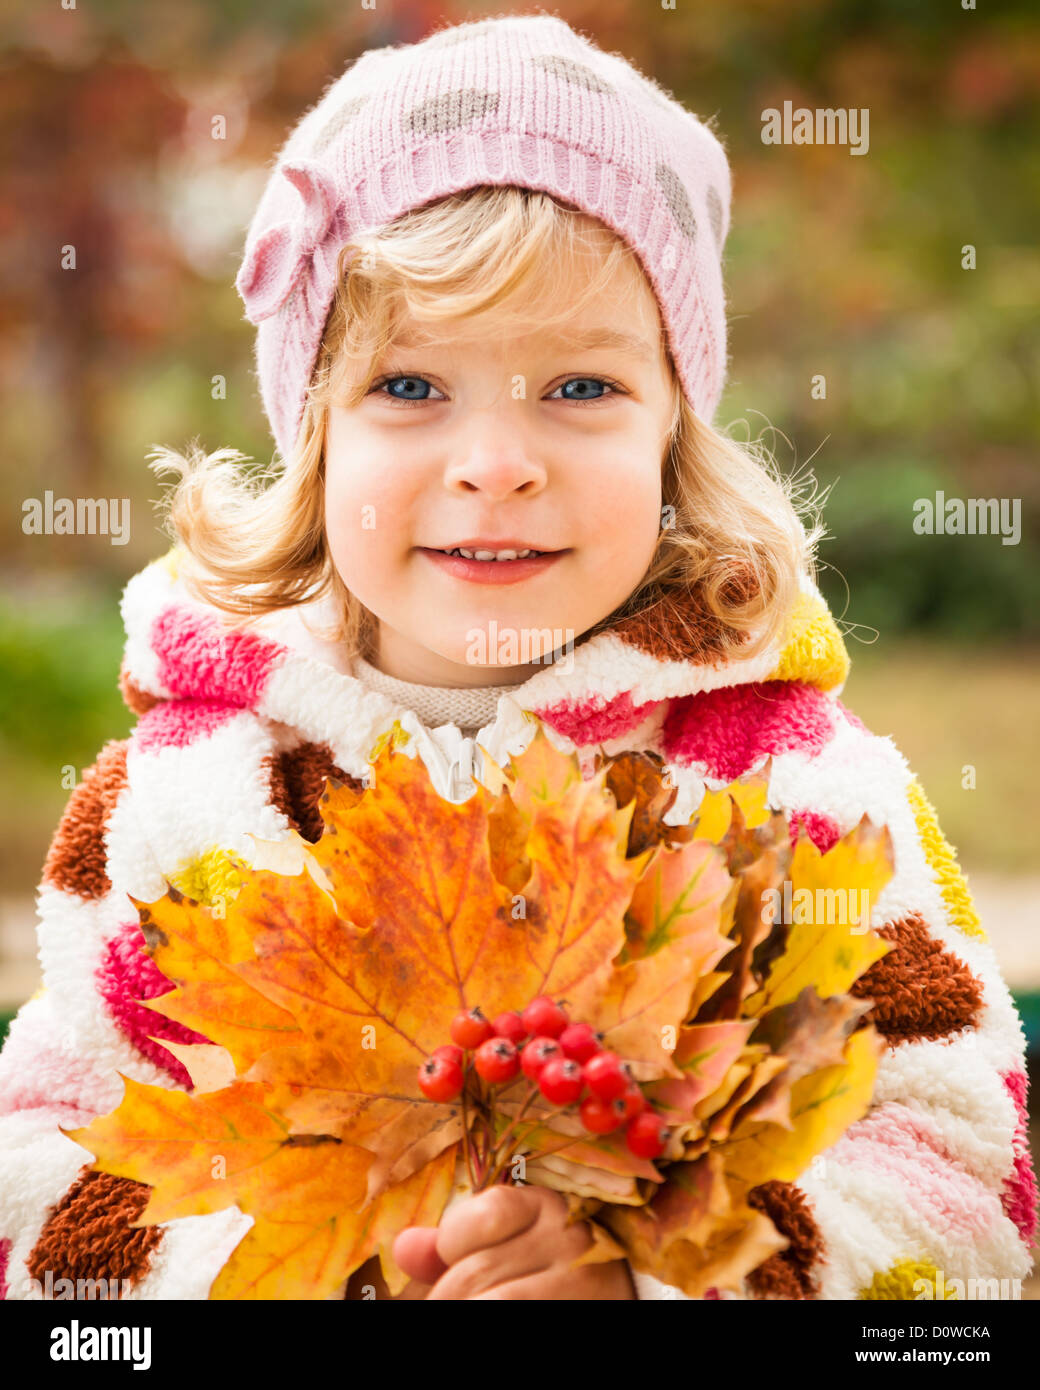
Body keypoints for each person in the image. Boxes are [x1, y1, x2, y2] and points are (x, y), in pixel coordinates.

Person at [0, 14, 1034, 1302]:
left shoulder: (789, 791)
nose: (498, 461)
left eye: (581, 388)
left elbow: (966, 1174)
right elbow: (42, 1163)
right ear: (315, 439)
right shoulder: (181, 804)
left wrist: (667, 1274)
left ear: (674, 434)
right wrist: (302, 1274)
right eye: (413, 388)